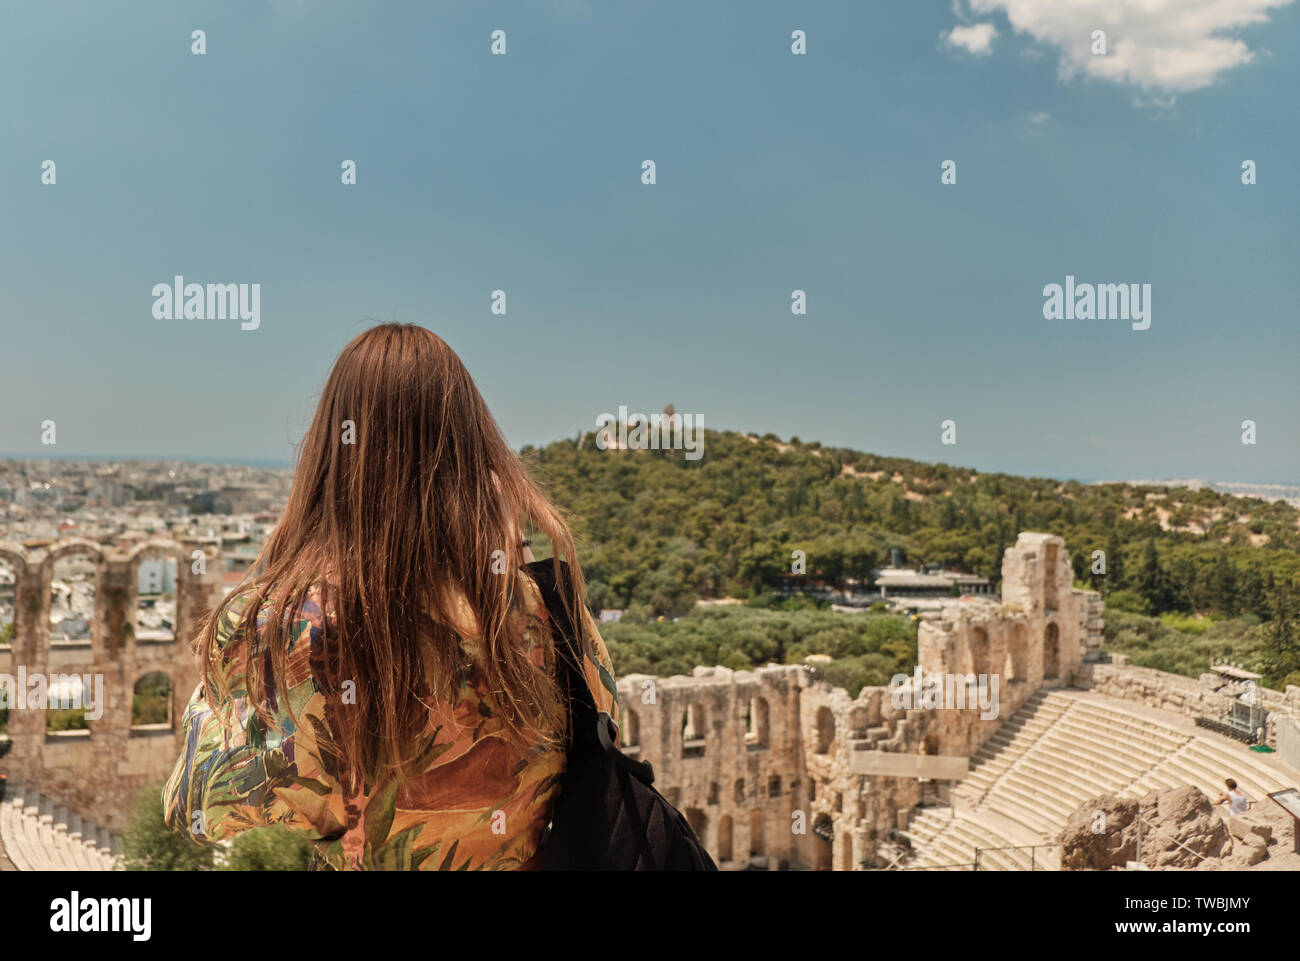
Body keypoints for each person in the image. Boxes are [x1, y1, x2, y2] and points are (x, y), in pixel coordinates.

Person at [162, 323, 620, 870]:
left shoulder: (290, 631)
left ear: (329, 458)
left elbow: (197, 808)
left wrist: (234, 651)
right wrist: (510, 565)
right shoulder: (552, 613)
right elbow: (604, 733)